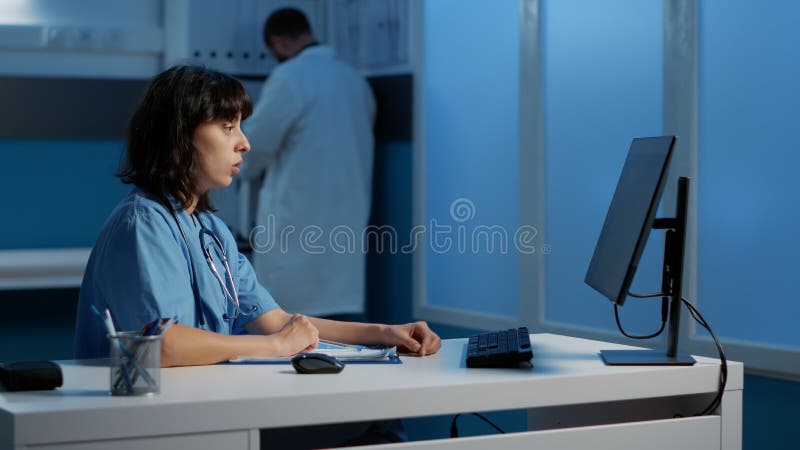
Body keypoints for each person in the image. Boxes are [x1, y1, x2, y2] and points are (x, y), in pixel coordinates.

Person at [73, 65, 440, 369]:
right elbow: (162, 345)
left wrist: (386, 333)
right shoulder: (144, 225)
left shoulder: (210, 230)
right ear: (179, 136)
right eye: (228, 127)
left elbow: (276, 321)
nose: (244, 143)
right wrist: (277, 346)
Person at [240, 8, 376, 319]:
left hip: (296, 237)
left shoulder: (289, 77)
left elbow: (250, 149)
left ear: (277, 42)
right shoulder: (355, 80)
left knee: (290, 335)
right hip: (346, 238)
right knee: (341, 338)